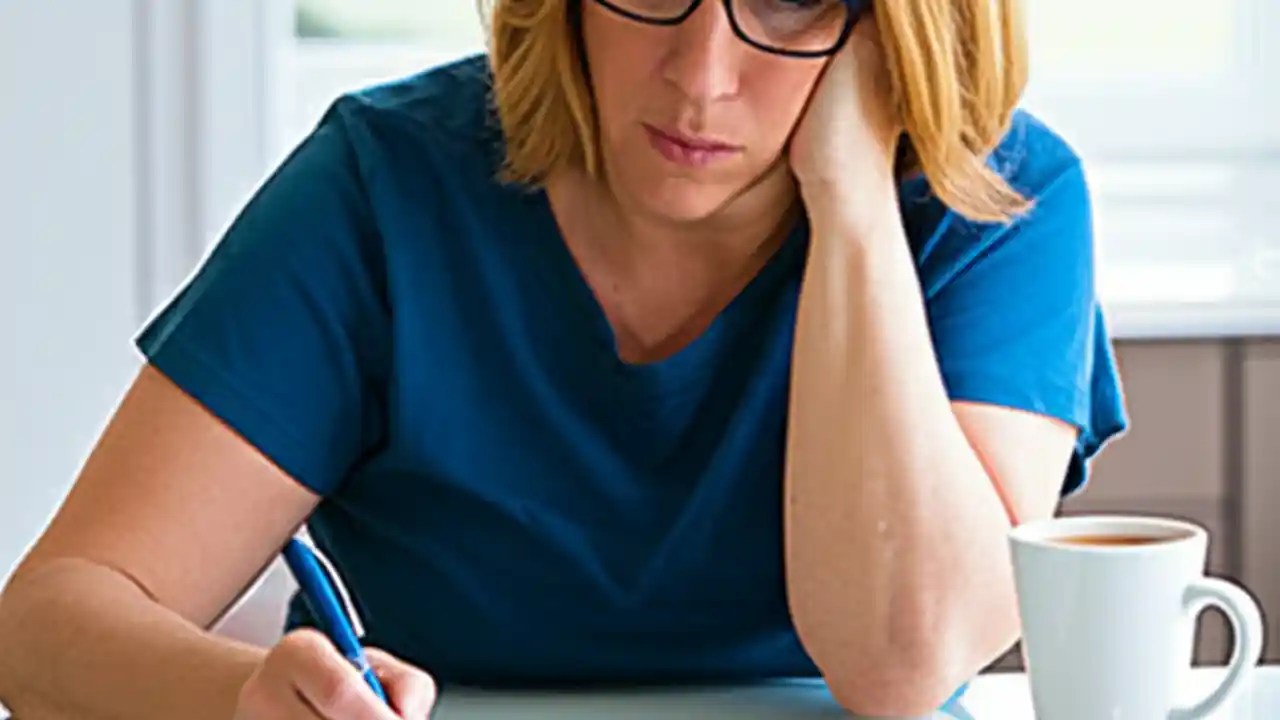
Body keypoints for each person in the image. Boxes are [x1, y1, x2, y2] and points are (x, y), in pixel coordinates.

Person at [0, 0, 1129, 717]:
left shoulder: (1001, 205)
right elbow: (44, 623)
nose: (700, 74)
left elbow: (901, 667)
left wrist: (851, 199)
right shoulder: (383, 187)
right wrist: (244, 698)